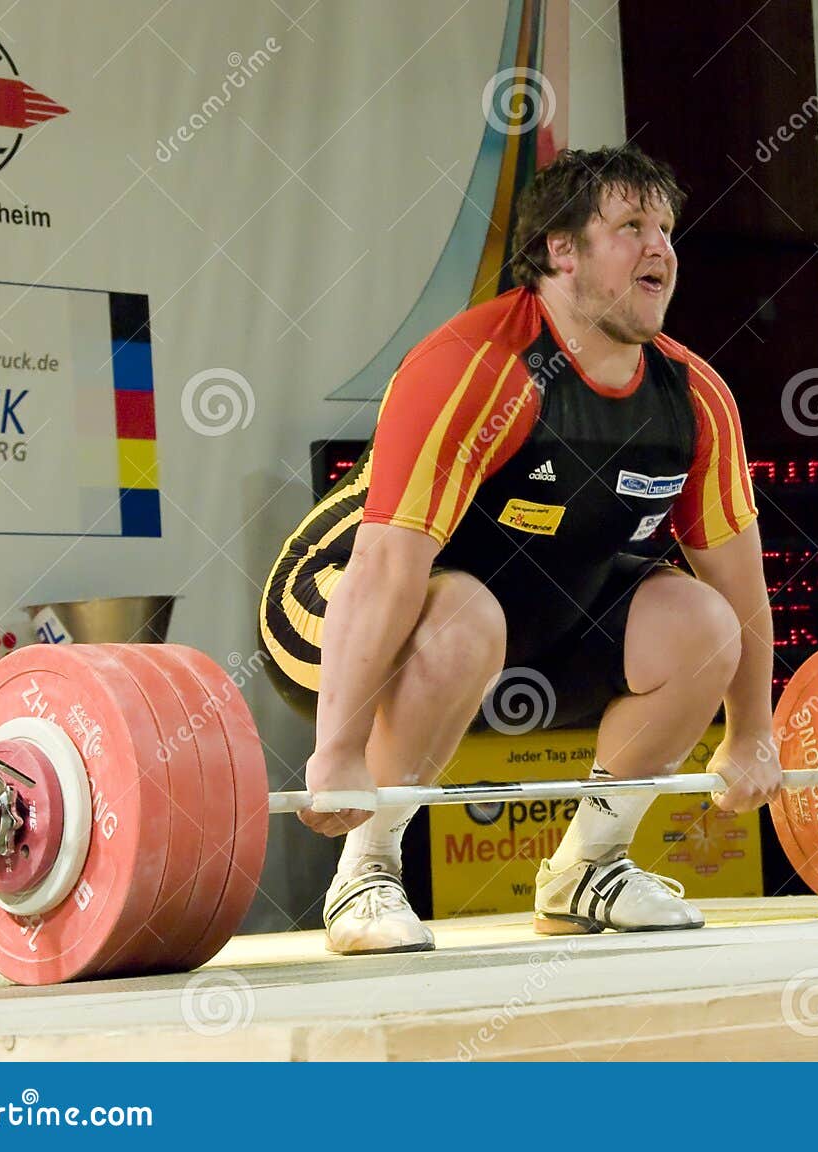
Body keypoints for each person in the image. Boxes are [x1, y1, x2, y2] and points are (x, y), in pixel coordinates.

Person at [259, 144, 782, 955]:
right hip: (335, 608)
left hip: (530, 631)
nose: (660, 249)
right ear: (560, 251)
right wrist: (336, 752)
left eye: (667, 229)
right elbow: (386, 569)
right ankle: (366, 870)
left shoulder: (693, 396)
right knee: (462, 613)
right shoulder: (474, 366)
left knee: (702, 621)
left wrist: (753, 732)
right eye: (631, 226)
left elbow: (742, 587)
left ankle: (588, 869)